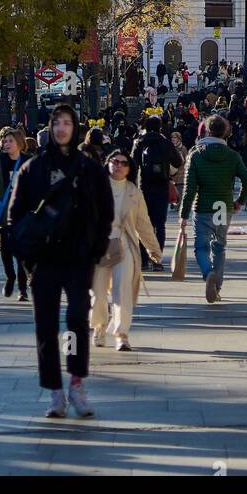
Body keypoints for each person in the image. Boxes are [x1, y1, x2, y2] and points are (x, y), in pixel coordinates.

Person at [6, 102, 113, 419]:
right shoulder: (33, 169)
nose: (62, 128)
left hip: (79, 257)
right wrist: (27, 258)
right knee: (45, 326)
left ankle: (76, 382)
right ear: (49, 129)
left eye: (67, 122)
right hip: (44, 259)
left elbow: (105, 211)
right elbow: (15, 215)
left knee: (77, 321)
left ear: (75, 127)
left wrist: (96, 249)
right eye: (56, 123)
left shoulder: (89, 168)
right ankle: (54, 390)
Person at [90, 149, 161, 351]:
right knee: (98, 292)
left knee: (123, 289)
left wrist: (153, 248)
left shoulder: (134, 192)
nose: (119, 165)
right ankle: (100, 327)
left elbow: (143, 223)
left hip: (124, 244)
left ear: (130, 168)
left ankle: (122, 334)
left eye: (123, 163)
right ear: (108, 164)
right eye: (115, 161)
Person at [180, 115, 247, 303]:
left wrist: (184, 214)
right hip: (224, 207)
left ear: (206, 131)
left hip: (203, 207)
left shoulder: (196, 155)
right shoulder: (232, 155)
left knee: (201, 247)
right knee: (219, 247)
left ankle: (207, 272)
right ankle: (217, 287)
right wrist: (240, 201)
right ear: (225, 132)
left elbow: (189, 188)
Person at [130, 115, 182, 267]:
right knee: (160, 224)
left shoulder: (139, 142)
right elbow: (178, 161)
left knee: (143, 224)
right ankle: (157, 260)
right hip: (161, 187)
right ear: (160, 127)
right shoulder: (165, 142)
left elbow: (133, 164)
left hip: (143, 187)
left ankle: (143, 260)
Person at [0, 126, 28, 301]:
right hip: (4, 212)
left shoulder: (29, 161)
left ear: (19, 143)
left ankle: (22, 288)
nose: (7, 144)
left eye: (10, 141)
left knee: (21, 252)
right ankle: (10, 276)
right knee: (4, 249)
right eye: (4, 141)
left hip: (23, 213)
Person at [169, 130, 187, 211]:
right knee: (173, 189)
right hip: (172, 172)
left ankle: (179, 206)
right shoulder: (170, 147)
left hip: (181, 172)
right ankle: (174, 205)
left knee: (180, 189)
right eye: (172, 137)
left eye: (175, 137)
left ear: (179, 138)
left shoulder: (183, 148)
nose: (173, 139)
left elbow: (186, 159)